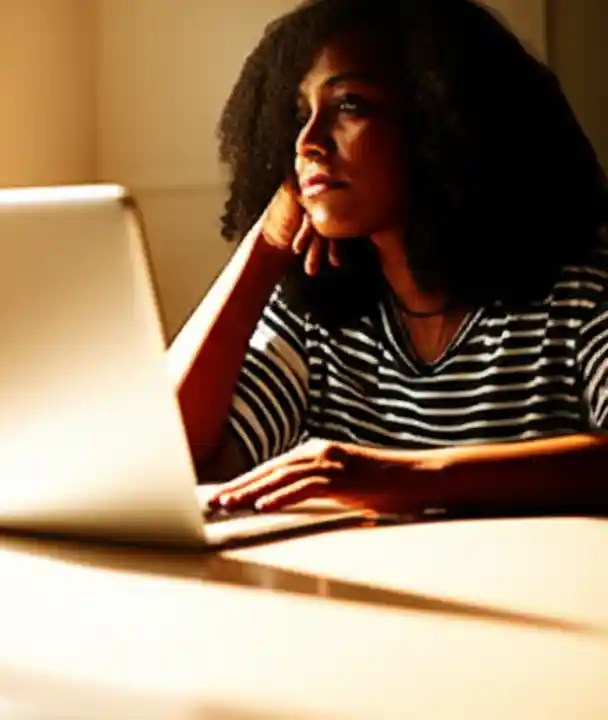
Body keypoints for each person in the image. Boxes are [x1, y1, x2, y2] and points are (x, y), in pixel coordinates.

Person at [171, 0, 608, 515]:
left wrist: (408, 476)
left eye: (349, 104)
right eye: (297, 115)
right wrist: (267, 246)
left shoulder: (577, 294)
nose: (308, 142)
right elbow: (165, 459)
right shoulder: (318, 312)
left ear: (437, 121)